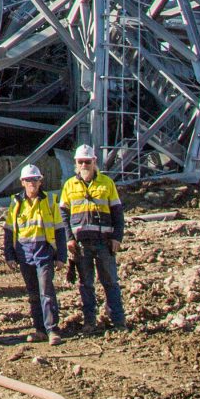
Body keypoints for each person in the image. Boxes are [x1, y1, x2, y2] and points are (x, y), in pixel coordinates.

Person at [59, 143, 127, 333]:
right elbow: (63, 215)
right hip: (81, 244)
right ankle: (90, 322)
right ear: (76, 163)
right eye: (81, 162)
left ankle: (118, 322)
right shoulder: (69, 185)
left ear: (94, 162)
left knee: (110, 282)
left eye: (87, 162)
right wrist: (69, 238)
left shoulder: (107, 183)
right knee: (86, 284)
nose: (84, 165)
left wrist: (117, 237)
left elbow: (117, 213)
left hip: (104, 242)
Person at [2, 162, 65, 344]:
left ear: (40, 181)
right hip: (24, 253)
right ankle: (40, 330)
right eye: (28, 180)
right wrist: (9, 255)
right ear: (22, 182)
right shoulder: (16, 203)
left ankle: (52, 329)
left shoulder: (50, 201)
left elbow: (60, 230)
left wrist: (61, 256)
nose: (32, 183)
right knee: (33, 293)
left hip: (43, 251)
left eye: (35, 180)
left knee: (46, 290)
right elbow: (9, 231)